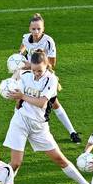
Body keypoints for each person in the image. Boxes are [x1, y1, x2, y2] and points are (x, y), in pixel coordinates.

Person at [3, 50, 89, 184]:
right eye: (34, 70)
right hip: (21, 122)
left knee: (59, 159)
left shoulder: (51, 80)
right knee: (16, 163)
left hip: (39, 127)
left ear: (46, 65)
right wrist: (13, 91)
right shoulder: (26, 75)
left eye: (39, 70)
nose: (36, 73)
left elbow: (42, 103)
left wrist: (22, 96)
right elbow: (14, 88)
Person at [17, 13, 81, 143]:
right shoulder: (26, 38)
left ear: (43, 29)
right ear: (29, 28)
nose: (36, 31)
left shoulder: (48, 41)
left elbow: (52, 63)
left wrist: (32, 65)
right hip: (30, 76)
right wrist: (19, 54)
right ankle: (19, 129)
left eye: (39, 29)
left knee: (54, 103)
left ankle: (72, 132)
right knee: (19, 100)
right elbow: (24, 45)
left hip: (44, 75)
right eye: (33, 29)